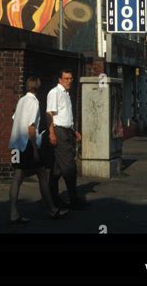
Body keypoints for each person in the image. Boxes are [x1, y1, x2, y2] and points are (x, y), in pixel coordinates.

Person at [9, 76, 67, 225]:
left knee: (17, 178)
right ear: (38, 88)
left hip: (16, 143)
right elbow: (31, 127)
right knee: (42, 175)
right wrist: (35, 149)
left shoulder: (21, 100)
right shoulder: (34, 103)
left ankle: (13, 212)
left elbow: (14, 118)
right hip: (28, 144)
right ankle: (52, 210)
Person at [46, 69, 88, 210]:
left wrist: (74, 131)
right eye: (66, 78)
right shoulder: (55, 93)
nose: (69, 81)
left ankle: (53, 198)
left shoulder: (66, 94)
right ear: (60, 79)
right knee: (69, 166)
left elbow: (65, 115)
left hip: (66, 131)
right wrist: (52, 133)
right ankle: (73, 199)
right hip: (59, 132)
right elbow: (49, 114)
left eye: (70, 78)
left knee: (57, 169)